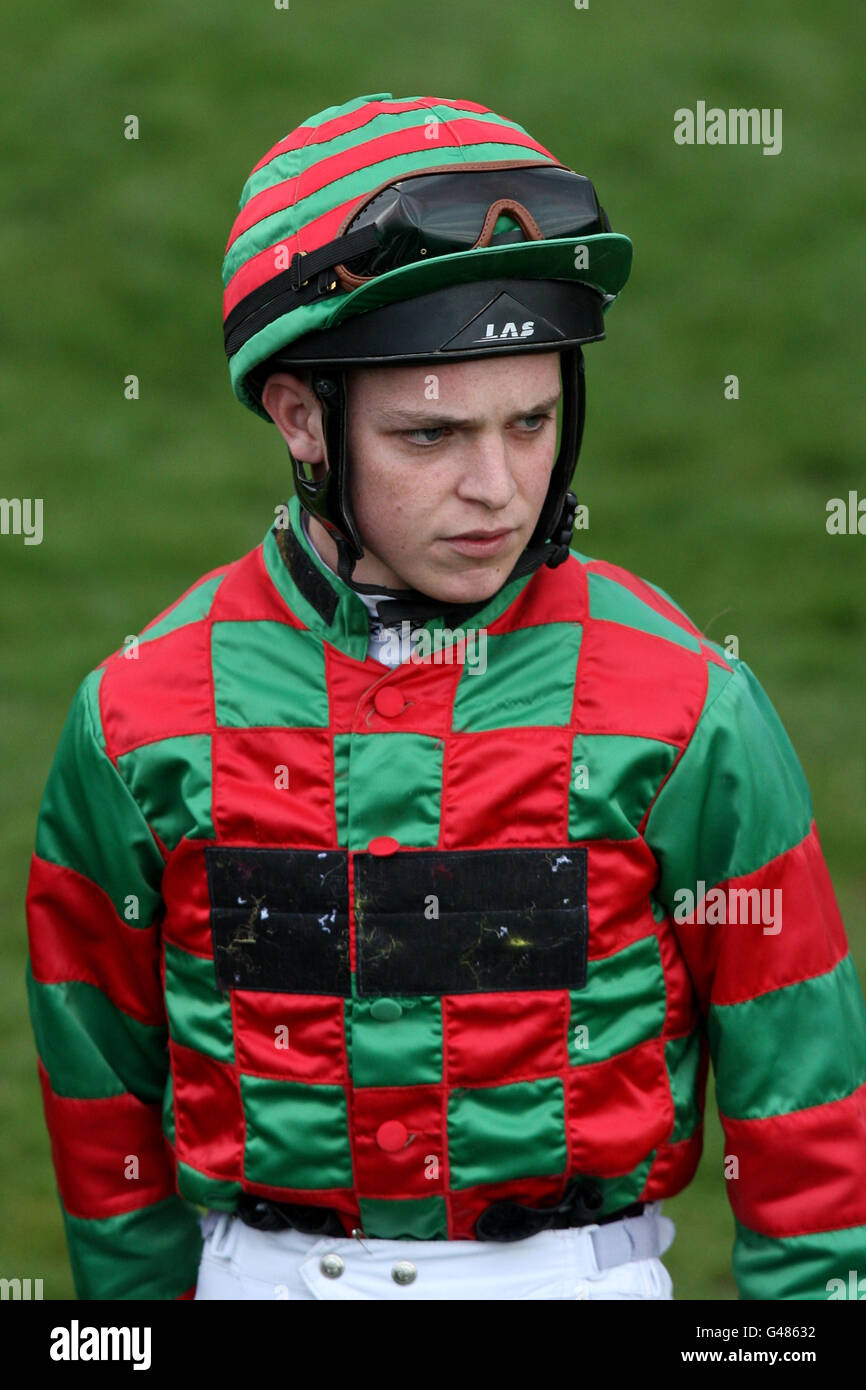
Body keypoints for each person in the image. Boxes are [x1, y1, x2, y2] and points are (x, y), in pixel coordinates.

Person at [24, 93, 866, 1302]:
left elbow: (804, 1094)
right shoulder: (134, 717)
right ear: (301, 418)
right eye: (430, 437)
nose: (496, 488)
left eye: (530, 422)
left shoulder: (688, 700)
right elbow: (99, 1092)